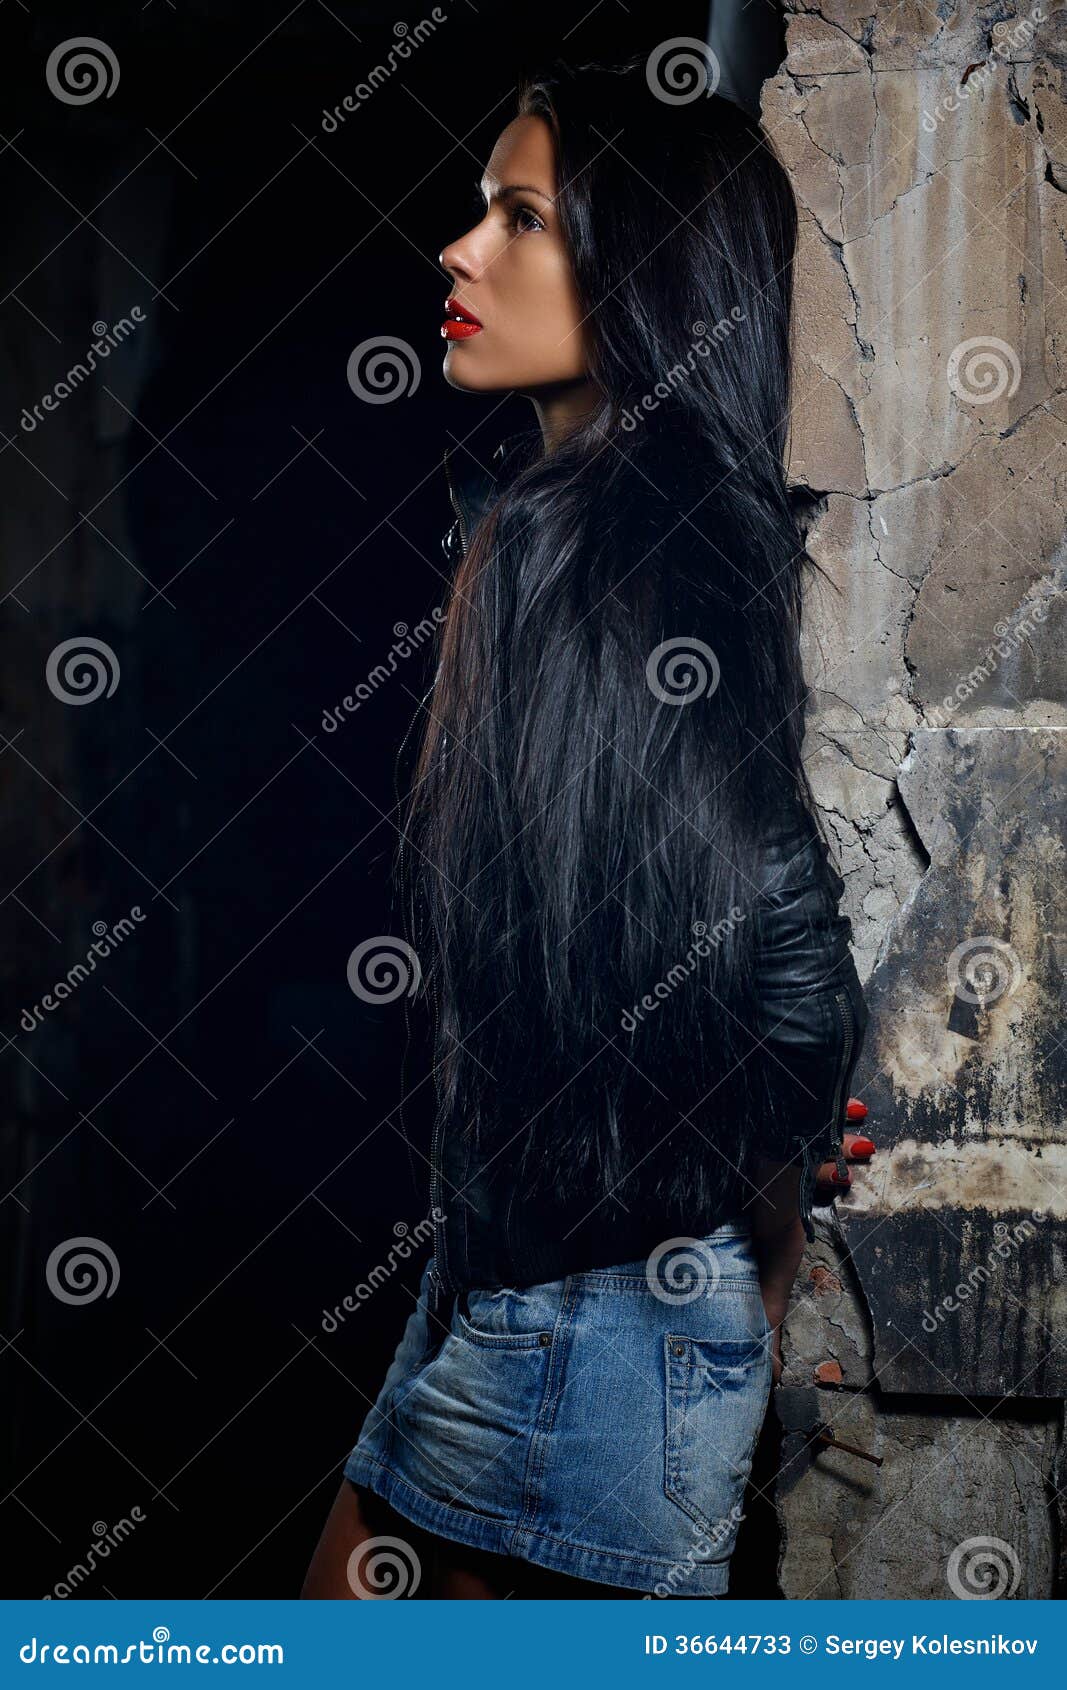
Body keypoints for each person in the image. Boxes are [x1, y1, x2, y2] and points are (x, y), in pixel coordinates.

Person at [303, 57, 872, 1600]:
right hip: (528, 1293)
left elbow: (790, 964)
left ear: (641, 268)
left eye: (521, 219)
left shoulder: (590, 544)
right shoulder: (636, 519)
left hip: (577, 1333)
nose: (460, 250)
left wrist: (762, 1168)